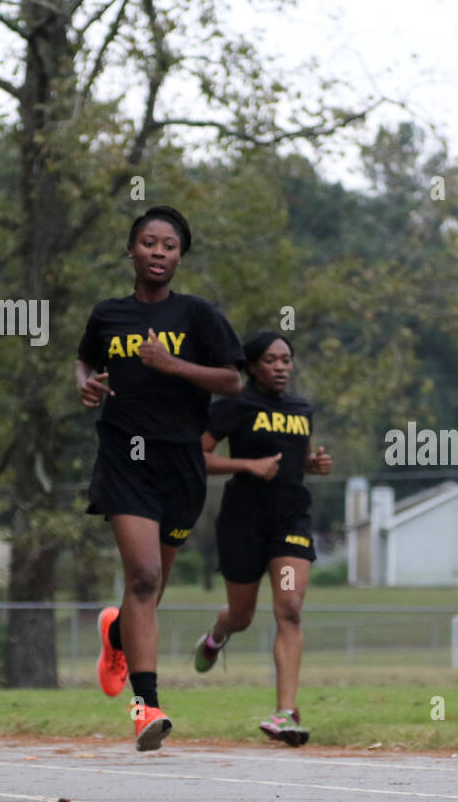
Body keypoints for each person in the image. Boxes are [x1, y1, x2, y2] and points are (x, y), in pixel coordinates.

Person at [76, 205, 244, 751]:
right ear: (131, 250)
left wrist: (174, 366)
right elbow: (84, 361)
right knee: (143, 577)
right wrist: (88, 384)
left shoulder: (198, 316)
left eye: (169, 246)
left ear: (180, 257)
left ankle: (116, 633)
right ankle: (145, 707)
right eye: (149, 243)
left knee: (152, 589)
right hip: (125, 456)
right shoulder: (108, 314)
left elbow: (232, 381)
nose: (158, 252)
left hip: (181, 465)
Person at [192, 332, 332, 746]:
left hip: (289, 523)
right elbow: (196, 455)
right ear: (252, 366)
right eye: (271, 360)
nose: (281, 367)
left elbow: (298, 459)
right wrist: (247, 465)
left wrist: (313, 463)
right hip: (243, 523)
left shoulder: (300, 409)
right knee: (242, 615)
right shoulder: (235, 405)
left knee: (288, 608)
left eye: (286, 359)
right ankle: (218, 636)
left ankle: (284, 714)